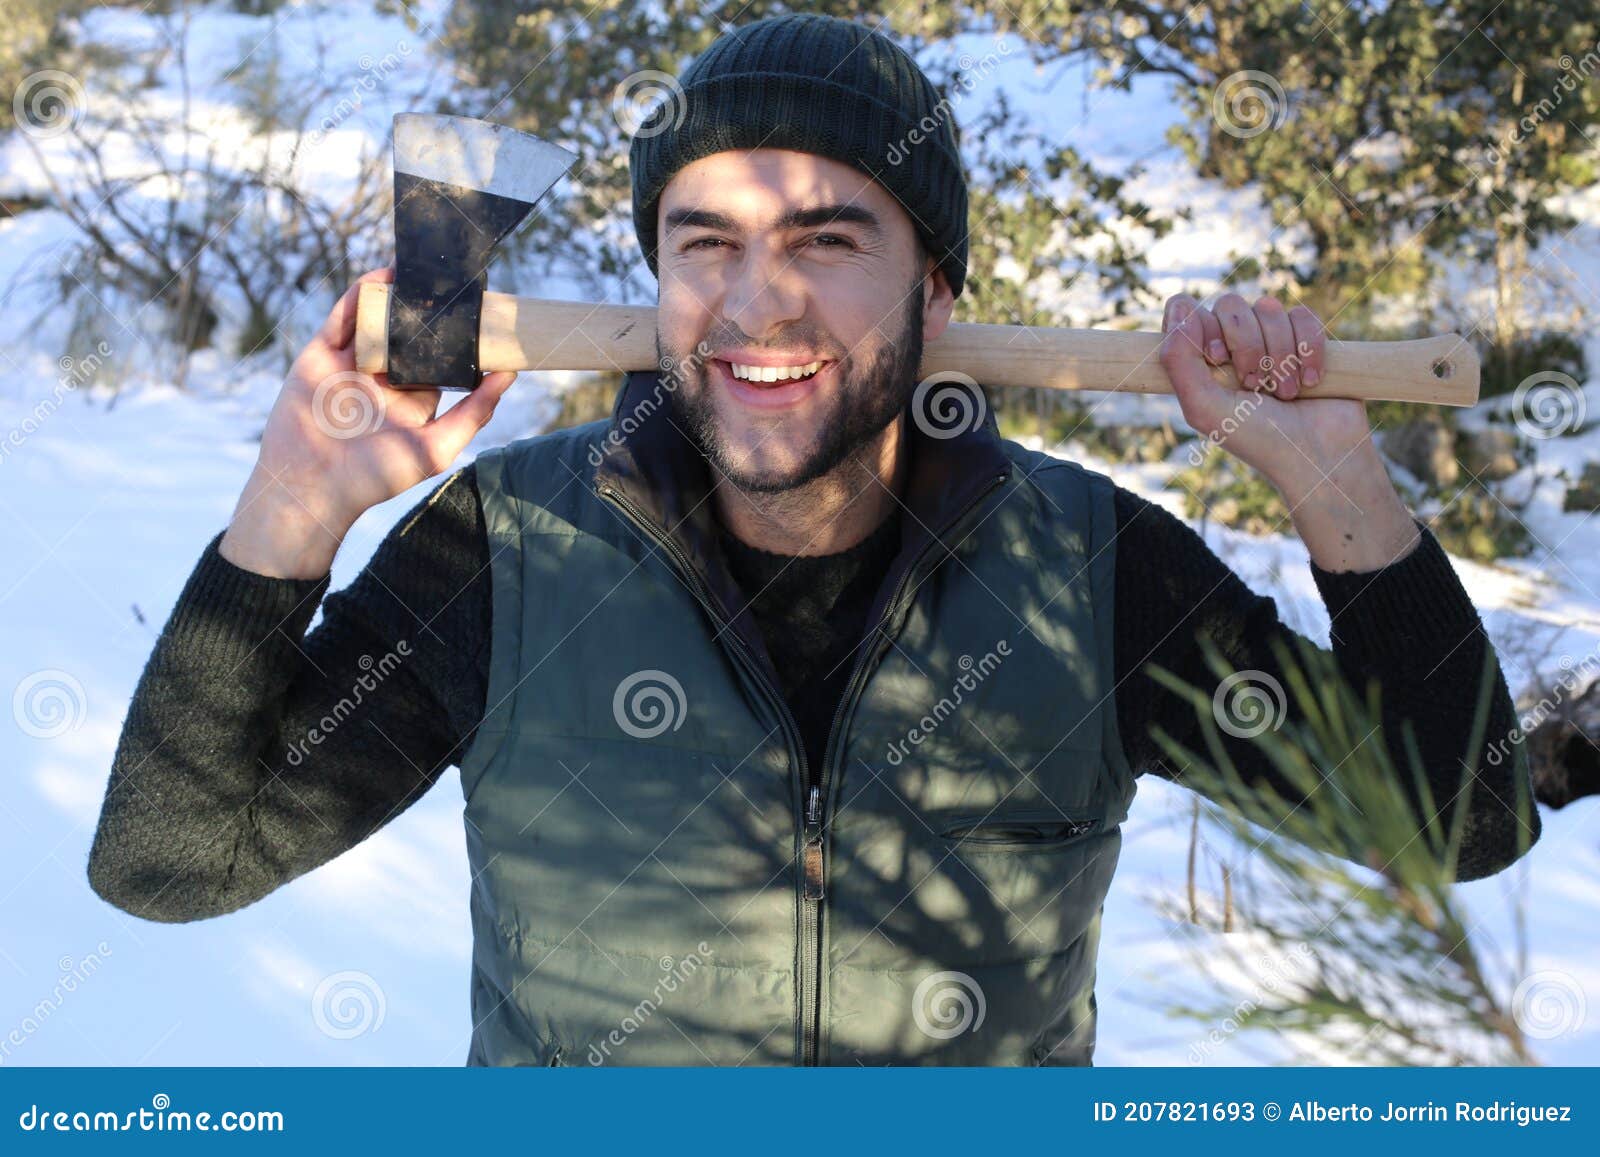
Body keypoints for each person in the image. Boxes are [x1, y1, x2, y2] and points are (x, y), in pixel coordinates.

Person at [87, 12, 1538, 1066]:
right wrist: (294, 508)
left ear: (941, 296)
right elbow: (175, 861)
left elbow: (1459, 819)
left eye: (830, 242)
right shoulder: (510, 546)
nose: (757, 304)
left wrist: (1329, 470)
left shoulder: (1092, 572)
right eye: (703, 242)